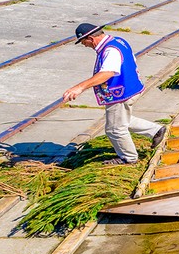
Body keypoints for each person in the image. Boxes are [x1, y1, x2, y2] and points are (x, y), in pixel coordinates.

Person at [62, 23, 165, 165]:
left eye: (83, 42)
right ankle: (156, 130)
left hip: (120, 93)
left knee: (114, 129)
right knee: (122, 119)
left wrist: (79, 87)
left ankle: (128, 158)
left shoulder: (110, 50)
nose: (84, 45)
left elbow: (107, 73)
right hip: (131, 87)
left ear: (90, 38)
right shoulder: (118, 41)